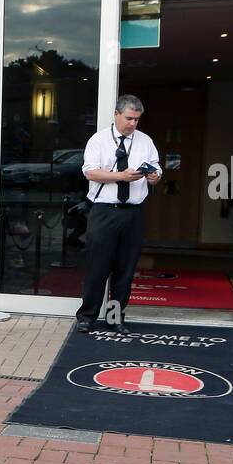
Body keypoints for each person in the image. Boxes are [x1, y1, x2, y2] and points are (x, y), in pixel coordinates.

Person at [75, 94, 162, 335]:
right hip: (104, 211)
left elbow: (156, 167)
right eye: (129, 118)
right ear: (116, 114)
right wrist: (121, 176)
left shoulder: (145, 141)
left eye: (137, 119)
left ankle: (115, 318)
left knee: (125, 270)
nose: (133, 123)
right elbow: (90, 172)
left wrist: (154, 176)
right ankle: (87, 317)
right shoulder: (99, 140)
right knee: (97, 267)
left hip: (133, 212)